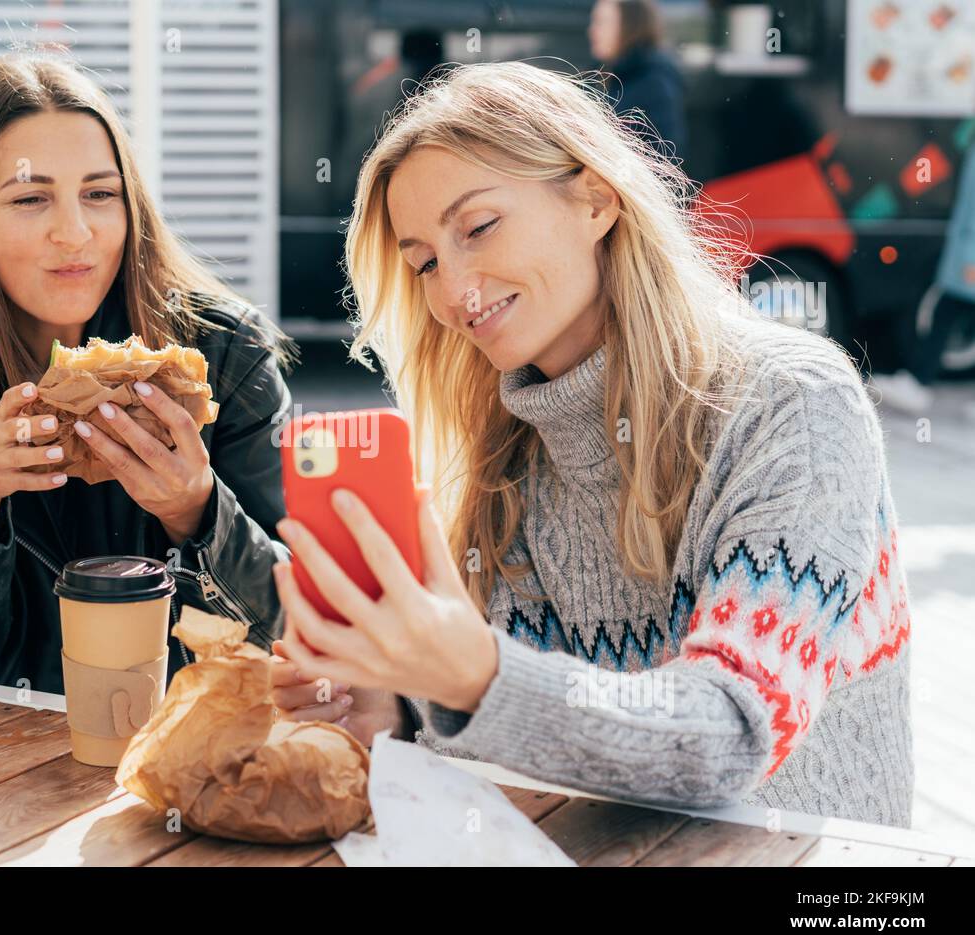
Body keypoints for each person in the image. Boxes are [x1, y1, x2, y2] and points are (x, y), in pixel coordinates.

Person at [269, 62, 913, 827]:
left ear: (597, 198)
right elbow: (537, 735)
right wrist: (401, 714)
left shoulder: (794, 406)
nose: (453, 289)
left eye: (478, 227)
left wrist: (473, 674)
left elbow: (729, 734)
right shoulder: (502, 454)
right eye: (425, 263)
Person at [0, 53, 296, 693]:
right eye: (31, 198)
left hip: (190, 756)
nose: (76, 233)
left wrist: (197, 513)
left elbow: (294, 629)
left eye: (100, 194)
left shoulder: (225, 358)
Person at [872, 142, 975, 418]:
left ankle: (918, 382)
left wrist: (970, 260)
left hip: (970, 255)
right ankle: (918, 382)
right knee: (946, 311)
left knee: (945, 311)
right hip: (966, 250)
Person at [589, 0, 687, 162]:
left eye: (602, 22)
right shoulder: (603, 74)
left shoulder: (655, 81)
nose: (592, 31)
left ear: (629, 26)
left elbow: (667, 157)